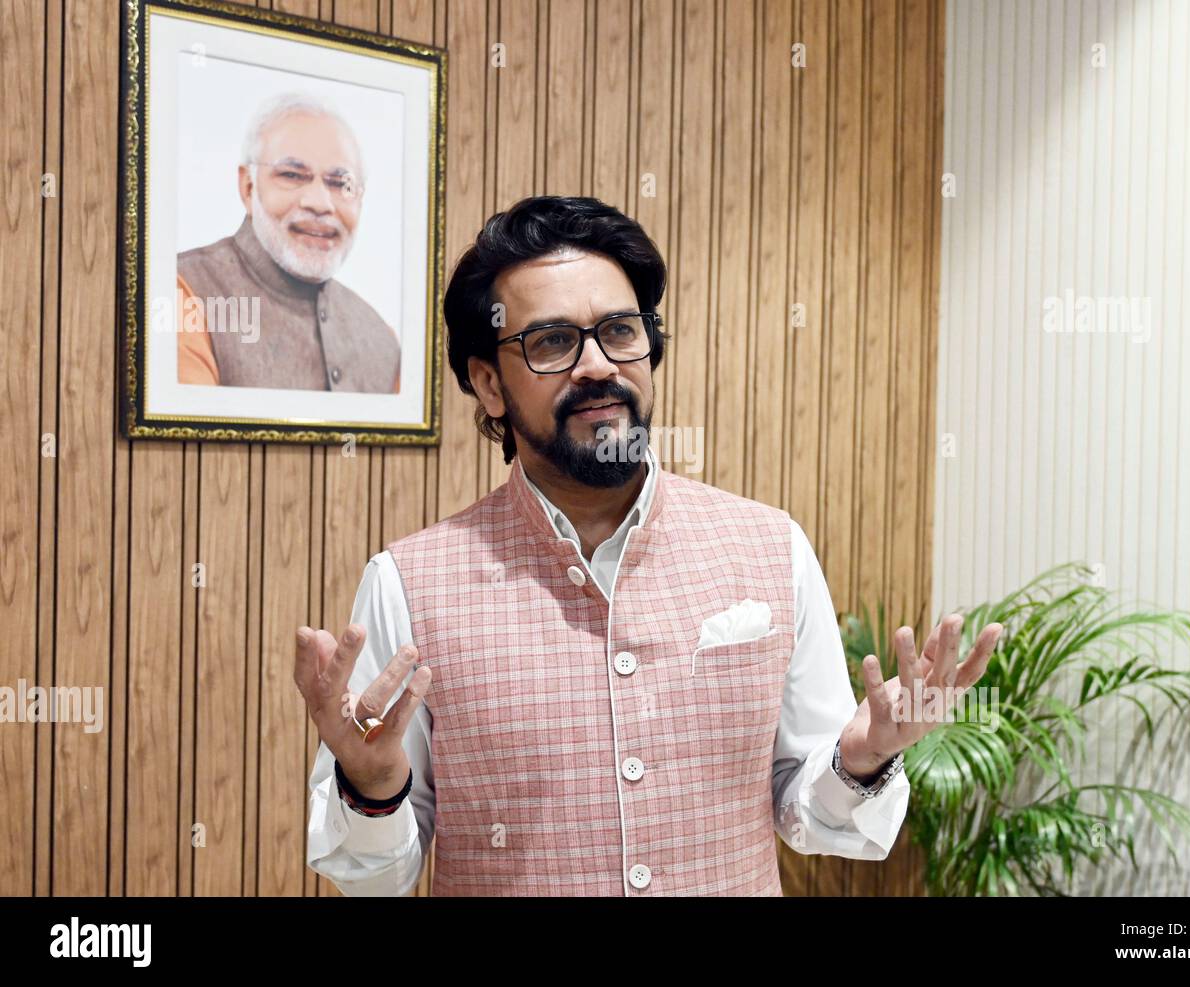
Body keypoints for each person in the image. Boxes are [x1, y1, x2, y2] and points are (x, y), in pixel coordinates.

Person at [294, 195, 1003, 895]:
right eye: (551, 342)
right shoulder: (408, 583)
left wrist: (865, 755)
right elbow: (379, 875)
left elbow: (811, 816)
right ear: (489, 383)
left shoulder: (771, 546)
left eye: (620, 331)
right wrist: (373, 784)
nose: (598, 364)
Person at [175, 92, 399, 393]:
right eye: (292, 175)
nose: (320, 203)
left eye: (340, 183)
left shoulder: (382, 339)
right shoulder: (183, 292)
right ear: (248, 186)